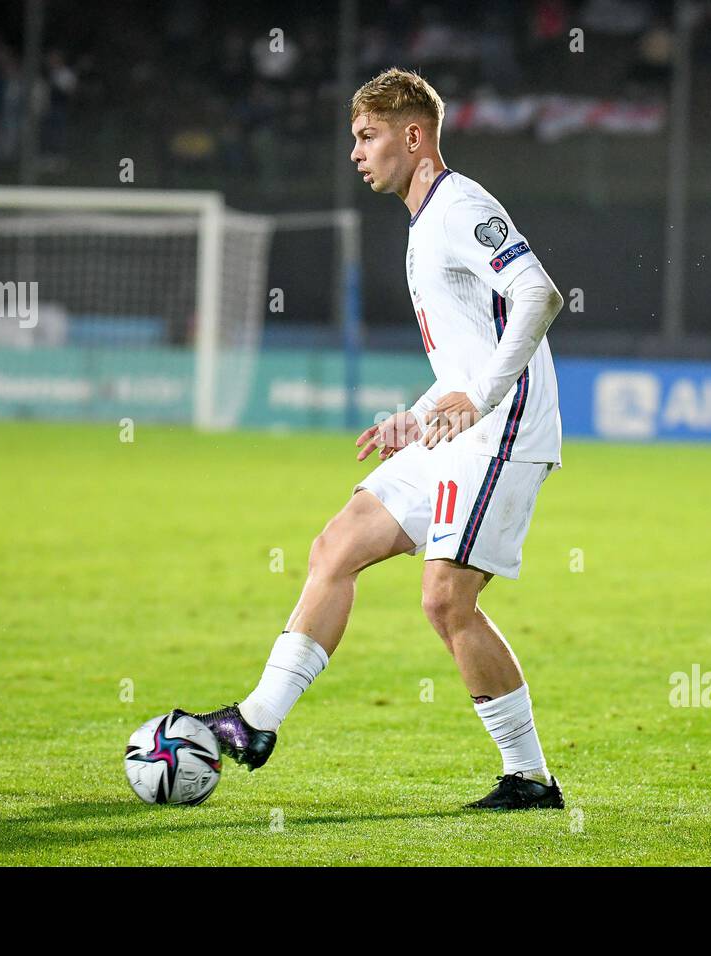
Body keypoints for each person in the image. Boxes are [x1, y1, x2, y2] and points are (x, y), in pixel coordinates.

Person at [184, 67, 566, 810]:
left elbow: (539, 293)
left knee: (446, 601)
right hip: (460, 428)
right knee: (338, 544)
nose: (357, 153)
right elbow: (465, 353)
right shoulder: (424, 224)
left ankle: (529, 780)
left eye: (368, 136)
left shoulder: (459, 206)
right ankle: (256, 723)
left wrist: (480, 398)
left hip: (504, 430)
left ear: (414, 136)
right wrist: (418, 418)